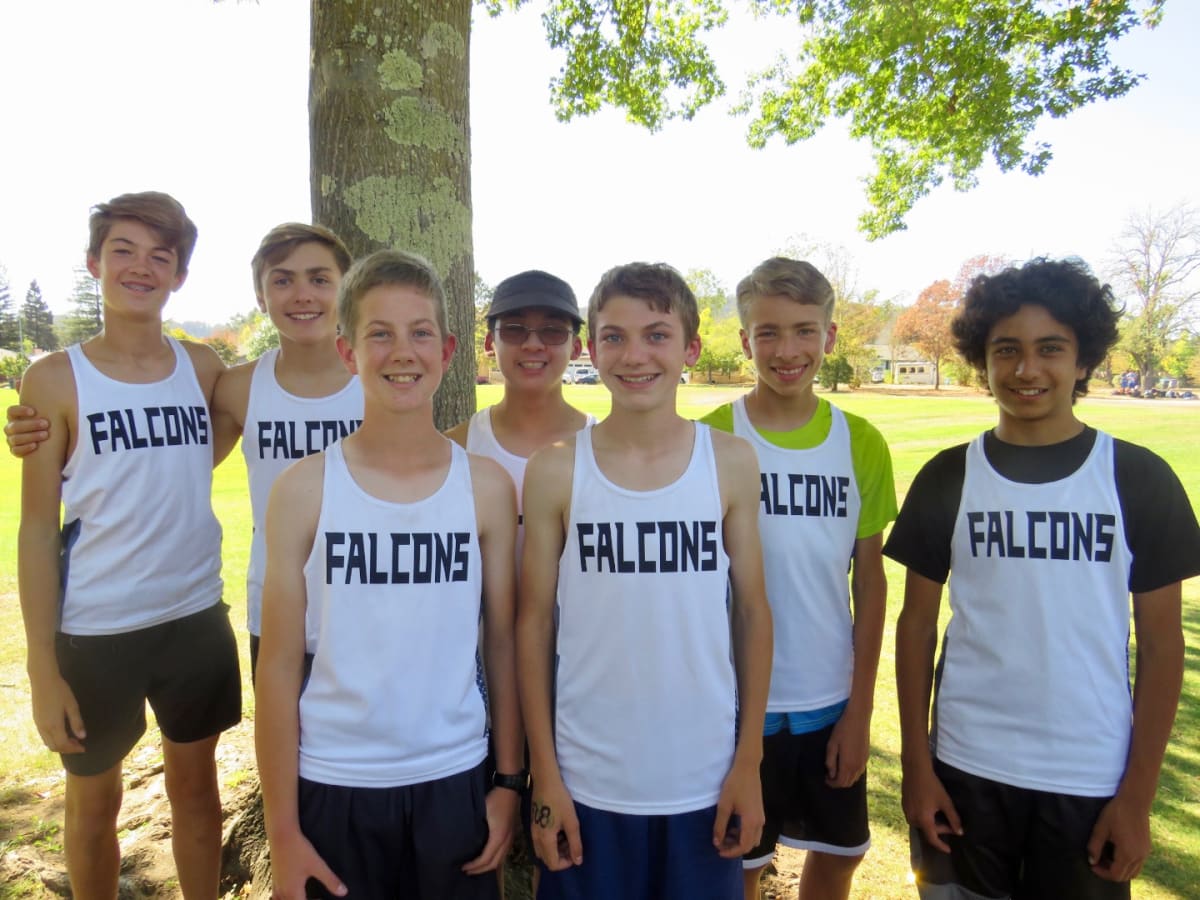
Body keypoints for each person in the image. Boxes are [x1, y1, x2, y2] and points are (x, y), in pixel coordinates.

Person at [887, 257, 1199, 899]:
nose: (1027, 370)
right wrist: (916, 768)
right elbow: (915, 625)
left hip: (1088, 779)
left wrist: (1137, 799)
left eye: (1050, 349)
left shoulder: (1137, 480)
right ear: (983, 360)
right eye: (1007, 350)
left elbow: (1165, 648)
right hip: (964, 770)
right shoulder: (949, 476)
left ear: (1083, 360)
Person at [255, 249, 523, 900]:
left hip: (454, 779)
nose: (402, 351)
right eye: (380, 333)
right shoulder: (304, 489)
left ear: (449, 348)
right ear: (348, 351)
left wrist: (509, 783)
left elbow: (503, 642)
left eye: (419, 332)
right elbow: (280, 666)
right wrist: (283, 830)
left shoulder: (484, 488)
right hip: (335, 785)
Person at [518, 262, 773, 899]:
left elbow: (752, 614)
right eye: (614, 337)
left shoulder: (731, 462)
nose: (634, 356)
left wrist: (749, 762)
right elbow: (532, 624)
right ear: (591, 348)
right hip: (587, 781)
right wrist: (544, 775)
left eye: (656, 335)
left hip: (704, 780)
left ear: (690, 348)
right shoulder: (555, 470)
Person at [6, 223, 363, 679]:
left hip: (370, 596)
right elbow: (168, 450)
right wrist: (40, 436)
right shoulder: (235, 386)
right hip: (278, 606)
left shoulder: (382, 384)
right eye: (282, 280)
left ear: (345, 289)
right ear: (260, 297)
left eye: (319, 279)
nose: (302, 295)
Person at [17, 191, 241, 899]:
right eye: (124, 251)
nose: (141, 268)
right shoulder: (53, 379)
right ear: (94, 263)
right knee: (92, 805)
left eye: (161, 257)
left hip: (194, 619)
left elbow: (237, 423)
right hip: (96, 630)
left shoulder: (203, 368)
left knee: (198, 794)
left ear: (179, 277)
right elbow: (33, 528)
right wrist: (42, 667)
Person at [701, 257, 896, 900]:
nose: (788, 351)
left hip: (828, 696)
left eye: (805, 331)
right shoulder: (710, 439)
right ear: (745, 340)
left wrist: (861, 709)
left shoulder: (859, 441)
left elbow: (869, 582)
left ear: (831, 337)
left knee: (838, 855)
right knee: (739, 862)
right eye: (769, 332)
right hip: (731, 702)